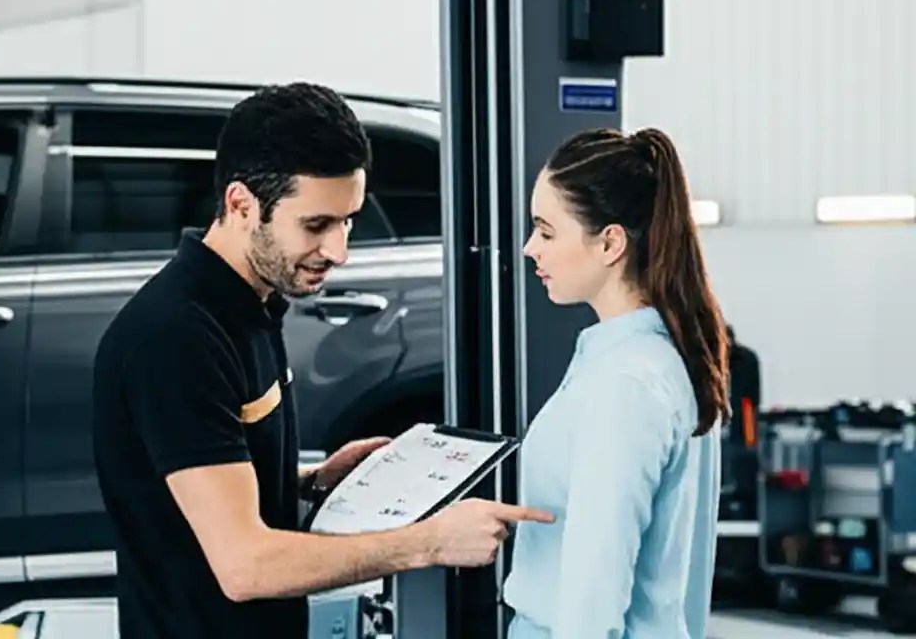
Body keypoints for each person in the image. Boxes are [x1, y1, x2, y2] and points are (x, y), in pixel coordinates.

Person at [92, 82, 554, 639]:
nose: (339, 251)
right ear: (241, 204)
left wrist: (312, 480)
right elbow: (245, 564)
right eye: (316, 226)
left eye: (348, 221)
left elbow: (191, 478)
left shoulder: (249, 304)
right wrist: (430, 541)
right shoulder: (176, 338)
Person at [503, 128, 729, 638]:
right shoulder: (660, 362)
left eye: (546, 230)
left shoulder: (625, 384)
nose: (528, 248)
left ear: (610, 242)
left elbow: (593, 597)